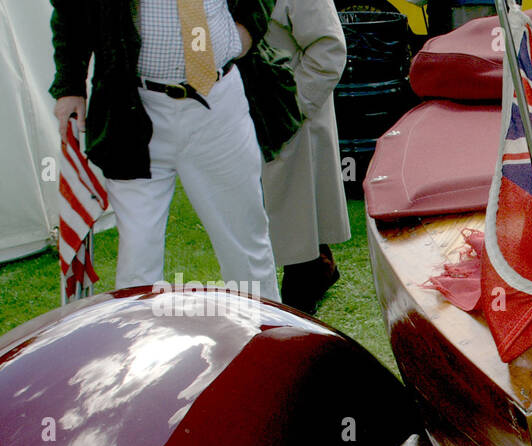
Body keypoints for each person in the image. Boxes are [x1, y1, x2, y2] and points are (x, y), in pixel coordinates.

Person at [49, 1, 303, 300]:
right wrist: (69, 85)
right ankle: (142, 341)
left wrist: (246, 31)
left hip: (219, 104)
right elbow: (71, 10)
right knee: (137, 256)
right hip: (132, 109)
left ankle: (262, 337)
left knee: (244, 243)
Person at [261, 0, 351, 314]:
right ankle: (319, 267)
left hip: (292, 116)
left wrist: (290, 105)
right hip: (255, 114)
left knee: (298, 218)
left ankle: (308, 279)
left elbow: (328, 49)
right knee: (285, 221)